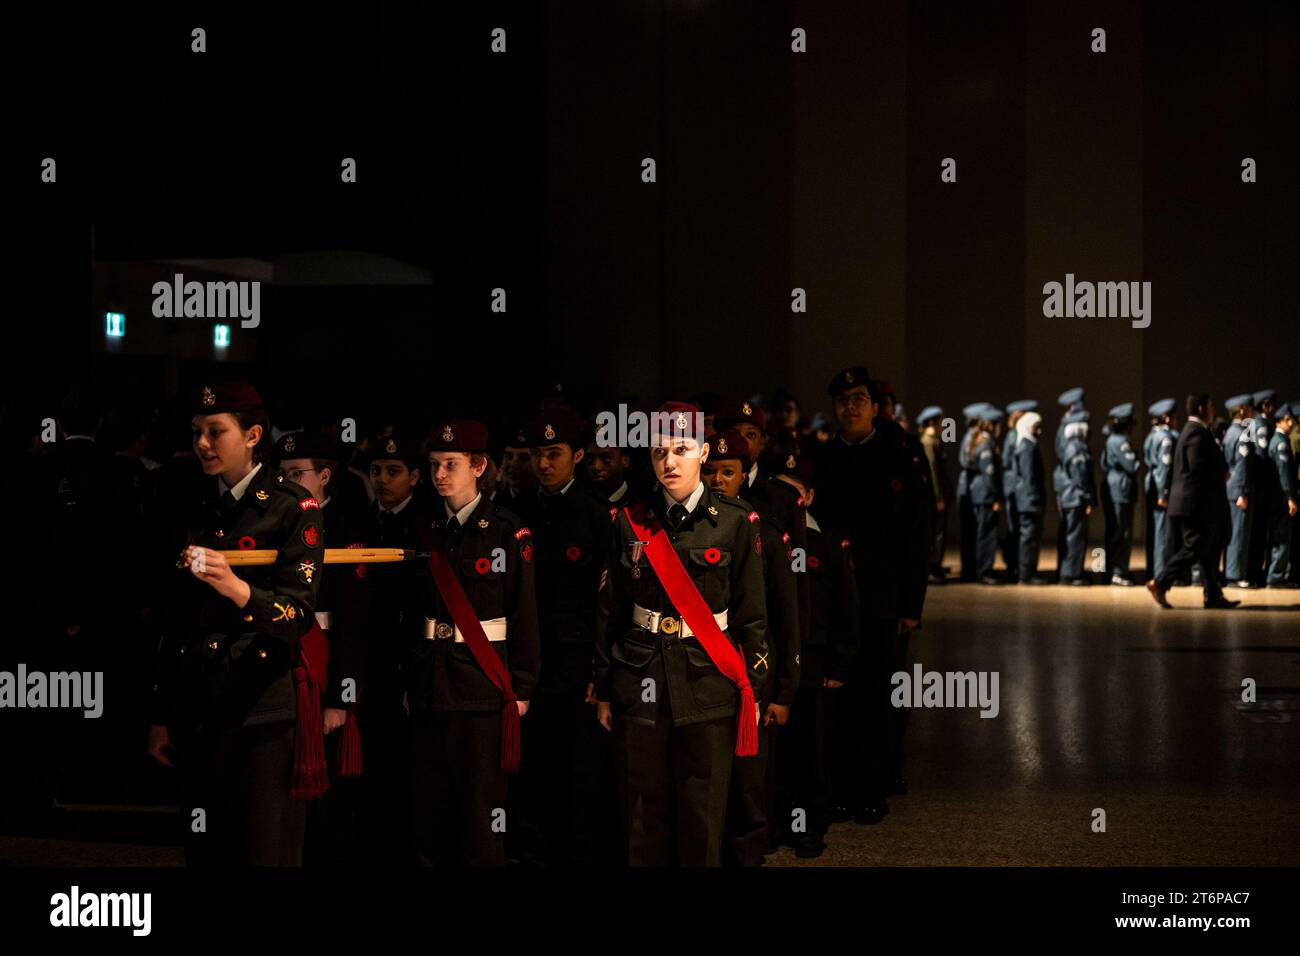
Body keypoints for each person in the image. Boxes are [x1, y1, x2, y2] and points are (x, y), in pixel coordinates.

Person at [147, 381, 325, 866]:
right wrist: (162, 713)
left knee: (264, 848)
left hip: (261, 706)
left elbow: (297, 615)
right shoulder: (188, 499)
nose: (202, 443)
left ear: (252, 436)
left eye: (216, 431)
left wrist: (235, 586)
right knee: (207, 850)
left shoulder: (293, 507)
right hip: (198, 702)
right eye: (197, 431)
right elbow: (174, 618)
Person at [593, 402, 769, 867]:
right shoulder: (628, 521)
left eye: (681, 449)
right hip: (641, 677)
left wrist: (754, 687)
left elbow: (752, 616)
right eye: (658, 452)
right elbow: (610, 611)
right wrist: (607, 685)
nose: (669, 462)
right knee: (642, 813)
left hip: (708, 680)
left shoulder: (735, 520)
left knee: (702, 813)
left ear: (703, 452)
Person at [409, 419, 541, 866]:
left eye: (451, 464)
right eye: (433, 465)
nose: (439, 474)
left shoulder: (507, 531)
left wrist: (521, 685)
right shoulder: (424, 527)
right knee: (431, 807)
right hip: (431, 681)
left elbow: (523, 614)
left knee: (483, 810)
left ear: (479, 466)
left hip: (483, 686)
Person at [812, 369, 928, 821]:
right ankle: (839, 786)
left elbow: (917, 538)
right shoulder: (821, 459)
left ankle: (874, 785)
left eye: (859, 398)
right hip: (834, 599)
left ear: (875, 406)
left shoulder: (899, 456)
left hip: (883, 597)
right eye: (842, 400)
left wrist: (910, 606)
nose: (851, 407)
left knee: (879, 695)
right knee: (837, 696)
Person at [510, 409, 614, 866]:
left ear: (578, 455)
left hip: (577, 662)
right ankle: (537, 850)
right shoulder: (518, 511)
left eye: (554, 453)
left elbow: (607, 604)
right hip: (531, 658)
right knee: (534, 763)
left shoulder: (598, 516)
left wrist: (601, 670)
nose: (544, 464)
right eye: (537, 454)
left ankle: (580, 853)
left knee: (581, 769)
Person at [703, 427, 799, 866]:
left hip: (752, 677)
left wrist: (784, 689)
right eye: (710, 471)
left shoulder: (764, 532)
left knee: (748, 783)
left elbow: (786, 617)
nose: (717, 480)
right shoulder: (694, 532)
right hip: (706, 678)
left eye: (728, 472)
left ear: (744, 476)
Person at [274, 430, 370, 866]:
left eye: (297, 473)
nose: (287, 481)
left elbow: (355, 625)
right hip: (282, 665)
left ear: (325, 476)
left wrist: (341, 699)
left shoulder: (349, 530)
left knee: (329, 801)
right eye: (282, 473)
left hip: (326, 663)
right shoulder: (274, 519)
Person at [769, 455, 859, 858]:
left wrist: (840, 662)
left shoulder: (829, 541)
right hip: (774, 660)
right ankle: (774, 823)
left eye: (797, 492)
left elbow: (847, 607)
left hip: (815, 660)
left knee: (811, 750)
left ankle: (809, 825)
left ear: (809, 496)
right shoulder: (768, 536)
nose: (790, 501)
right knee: (775, 753)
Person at [357, 431, 429, 865]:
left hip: (410, 657)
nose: (383, 479)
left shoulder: (425, 524)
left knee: (409, 765)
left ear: (415, 476)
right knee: (372, 761)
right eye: (376, 471)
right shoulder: (362, 522)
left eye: (394, 471)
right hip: (369, 658)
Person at [1147, 393, 1240, 610]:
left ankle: (1213, 595)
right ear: (1200, 409)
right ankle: (1161, 582)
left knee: (1205, 550)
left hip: (1194, 503)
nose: (1212, 411)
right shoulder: (1195, 433)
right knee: (1195, 547)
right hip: (1194, 504)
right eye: (1209, 406)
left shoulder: (1195, 432)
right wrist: (1221, 474)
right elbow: (1197, 469)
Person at [1103, 403, 1140, 586]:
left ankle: (1109, 570)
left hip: (1113, 488)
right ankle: (1118, 572)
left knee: (1113, 531)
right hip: (1121, 491)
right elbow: (1132, 466)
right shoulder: (1120, 441)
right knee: (1122, 533)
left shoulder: (1110, 439)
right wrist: (1138, 458)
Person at [1222, 394, 1256, 588]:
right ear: (1242, 410)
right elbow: (1243, 465)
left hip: (1231, 488)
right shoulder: (1241, 434)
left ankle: (1233, 572)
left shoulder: (1230, 432)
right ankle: (1235, 575)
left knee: (1234, 533)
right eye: (1250, 410)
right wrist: (1243, 492)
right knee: (1239, 534)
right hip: (1239, 490)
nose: (1252, 413)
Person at [1058, 409, 1095, 585]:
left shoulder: (1073, 446)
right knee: (1075, 537)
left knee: (1074, 535)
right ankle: (1071, 574)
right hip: (1076, 498)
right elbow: (1080, 477)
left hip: (1072, 497)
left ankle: (1073, 571)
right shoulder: (1077, 447)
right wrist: (1087, 498)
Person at [1011, 411, 1049, 584]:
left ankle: (1028, 572)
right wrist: (1034, 500)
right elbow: (1029, 478)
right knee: (1029, 538)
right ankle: (1026, 574)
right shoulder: (1027, 446)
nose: (1039, 431)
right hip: (1029, 500)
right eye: (1036, 427)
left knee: (1031, 537)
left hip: (1028, 499)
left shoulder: (1027, 444)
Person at [1142, 399, 1177, 583]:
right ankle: (1161, 574)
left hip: (1152, 484)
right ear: (1166, 418)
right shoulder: (1165, 438)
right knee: (1162, 533)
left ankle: (1153, 569)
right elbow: (1165, 468)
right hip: (1160, 486)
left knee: (1155, 531)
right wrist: (1164, 494)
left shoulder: (1151, 435)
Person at [1001, 400, 1037, 579]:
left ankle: (1016, 566)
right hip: (1014, 489)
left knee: (1017, 529)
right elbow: (1009, 463)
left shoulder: (1015, 434)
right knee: (1016, 529)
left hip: (1014, 488)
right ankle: (1015, 566)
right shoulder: (1015, 435)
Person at [916, 406, 952, 583]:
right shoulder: (928, 442)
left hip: (939, 495)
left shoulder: (934, 441)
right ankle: (932, 566)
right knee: (935, 534)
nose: (943, 425)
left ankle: (936, 565)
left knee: (939, 533)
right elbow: (932, 472)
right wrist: (938, 497)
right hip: (934, 497)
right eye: (940, 421)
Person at [969, 409, 1004, 585]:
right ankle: (984, 570)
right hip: (986, 495)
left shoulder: (984, 442)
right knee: (987, 534)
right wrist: (996, 497)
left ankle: (983, 569)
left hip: (982, 494)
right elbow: (989, 474)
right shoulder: (986, 445)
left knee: (985, 533)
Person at [1264, 402, 1297, 587]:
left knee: (1279, 537)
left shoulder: (1276, 440)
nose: (1291, 423)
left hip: (1276, 498)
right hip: (1281, 499)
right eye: (1288, 420)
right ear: (1280, 421)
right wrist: (1291, 497)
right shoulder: (1281, 443)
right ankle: (1275, 577)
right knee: (1282, 538)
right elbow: (1284, 473)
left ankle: (1275, 574)